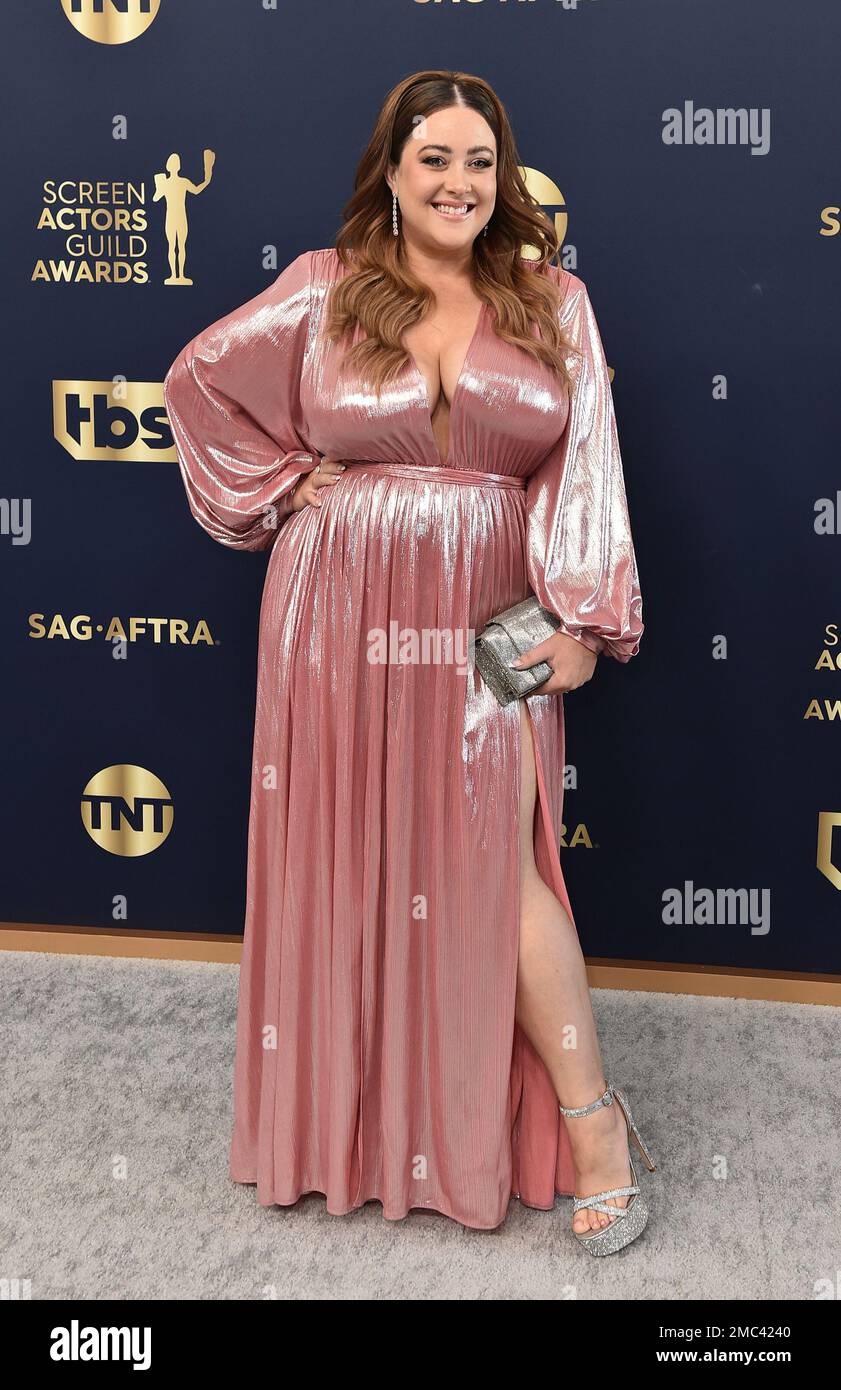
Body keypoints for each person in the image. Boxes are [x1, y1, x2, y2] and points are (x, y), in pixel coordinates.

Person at [163, 69, 652, 1256]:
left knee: (494, 860)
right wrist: (286, 481)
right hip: (336, 603)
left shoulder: (554, 301)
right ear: (391, 171)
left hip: (488, 606)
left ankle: (596, 1130)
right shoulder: (324, 291)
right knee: (349, 845)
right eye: (434, 158)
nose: (459, 183)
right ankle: (358, 1129)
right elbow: (196, 382)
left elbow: (582, 459)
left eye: (479, 161)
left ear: (504, 176)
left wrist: (581, 618)